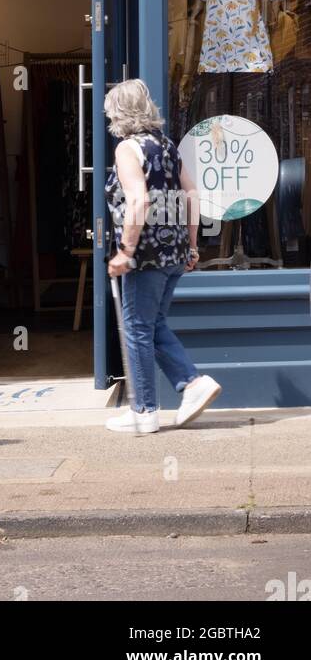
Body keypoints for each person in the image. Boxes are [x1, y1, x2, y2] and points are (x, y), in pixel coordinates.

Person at [104, 78, 221, 434]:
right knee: (152, 326)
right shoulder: (167, 146)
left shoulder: (128, 149)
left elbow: (138, 200)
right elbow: (192, 195)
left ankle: (145, 411)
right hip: (174, 253)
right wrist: (192, 245)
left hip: (146, 255)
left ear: (118, 113)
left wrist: (125, 251)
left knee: (138, 329)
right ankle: (189, 384)